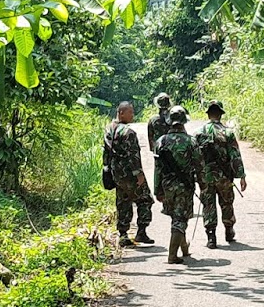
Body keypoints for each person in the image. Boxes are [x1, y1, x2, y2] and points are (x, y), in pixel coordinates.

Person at [154, 105, 203, 264]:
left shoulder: (161, 141)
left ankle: (184, 249)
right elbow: (199, 166)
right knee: (180, 219)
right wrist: (203, 185)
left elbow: (157, 169)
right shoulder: (191, 141)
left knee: (176, 217)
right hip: (184, 186)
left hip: (167, 186)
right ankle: (172, 255)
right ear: (184, 122)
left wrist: (157, 190)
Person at [194, 100, 246, 248]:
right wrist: (241, 176)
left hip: (206, 176)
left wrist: (194, 176)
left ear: (208, 114)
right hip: (224, 176)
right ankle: (229, 230)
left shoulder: (198, 133)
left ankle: (211, 237)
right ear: (221, 114)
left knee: (208, 205)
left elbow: (194, 157)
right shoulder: (227, 133)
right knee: (227, 203)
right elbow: (235, 156)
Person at [102, 102, 154, 245]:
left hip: (117, 173)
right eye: (130, 112)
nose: (132, 115)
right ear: (121, 113)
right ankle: (141, 232)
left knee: (123, 201)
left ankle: (123, 234)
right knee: (145, 199)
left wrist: (107, 169)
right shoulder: (128, 132)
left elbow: (106, 153)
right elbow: (134, 155)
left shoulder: (109, 130)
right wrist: (139, 174)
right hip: (130, 174)